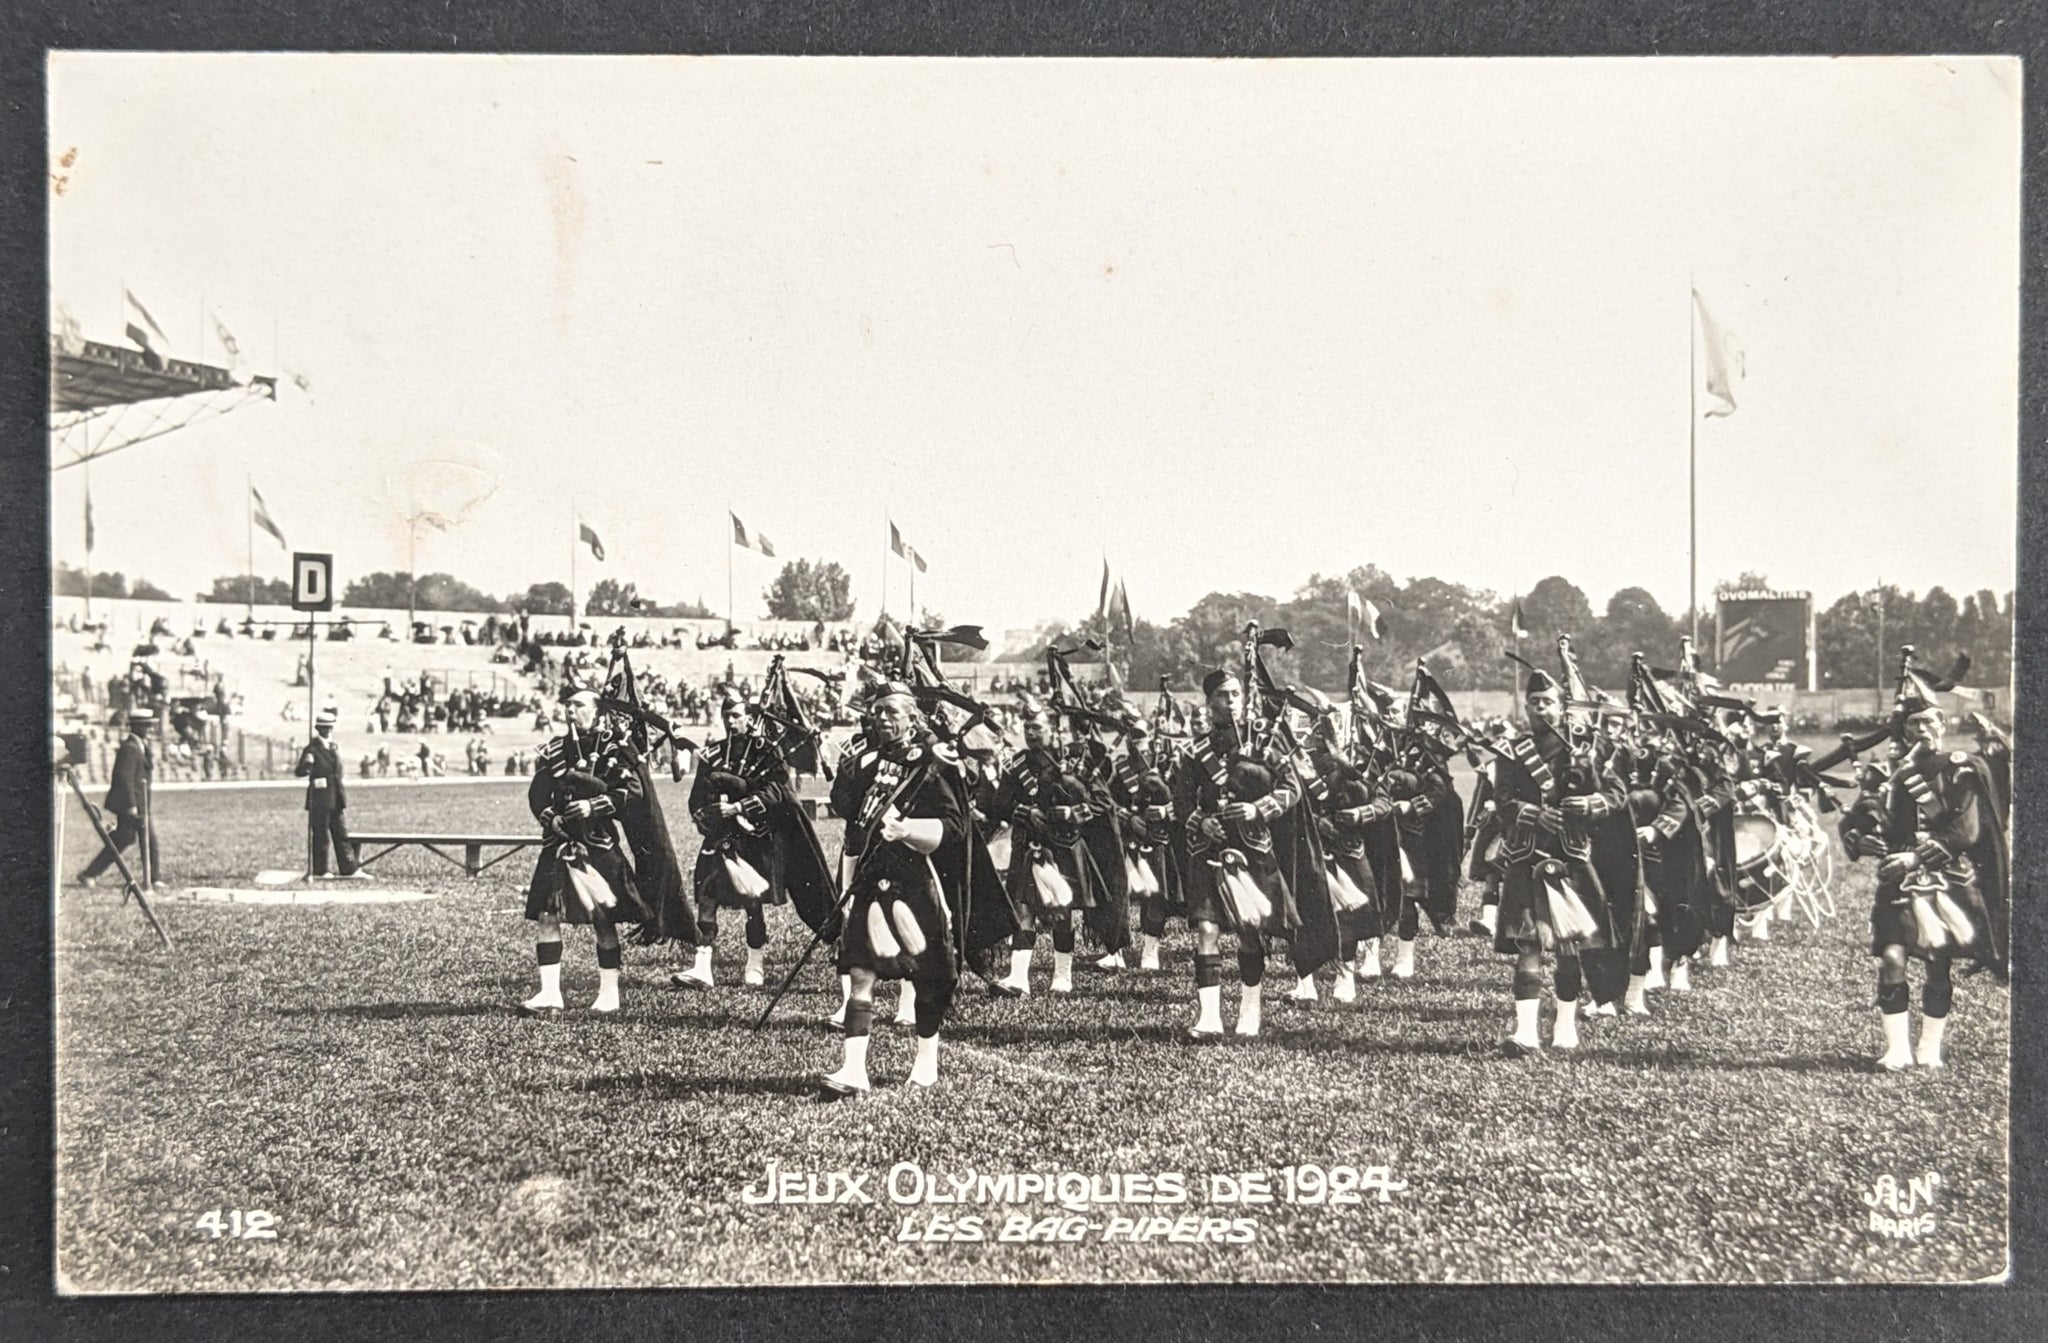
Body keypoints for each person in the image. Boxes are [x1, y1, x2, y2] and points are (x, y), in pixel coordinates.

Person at [818, 683, 972, 1096]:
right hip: (871, 879)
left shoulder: (931, 761)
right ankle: (853, 1070)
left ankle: (926, 1063)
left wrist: (909, 831)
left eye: (891, 712)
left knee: (928, 976)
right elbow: (847, 810)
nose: (882, 719)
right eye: (877, 712)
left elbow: (954, 827)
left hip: (915, 883)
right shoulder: (868, 759)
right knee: (861, 972)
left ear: (911, 718)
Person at [1853, 688, 2009, 1070]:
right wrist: (1859, 837)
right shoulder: (1888, 772)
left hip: (1947, 879)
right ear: (1904, 731)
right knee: (1891, 956)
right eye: (1914, 723)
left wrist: (1914, 856)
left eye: (1929, 721)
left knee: (1937, 964)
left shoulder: (1961, 768)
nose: (1922, 728)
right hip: (1898, 879)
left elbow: (1965, 832)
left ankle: (1929, 1047)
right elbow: (1857, 819)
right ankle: (1897, 1049)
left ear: (1942, 725)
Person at [1488, 668, 1641, 1054]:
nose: (1541, 709)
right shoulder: (1512, 749)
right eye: (1534, 703)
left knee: (1571, 947)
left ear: (1563, 706)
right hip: (1527, 855)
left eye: (1548, 703)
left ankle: (1565, 1028)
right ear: (1526, 707)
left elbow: (1617, 795)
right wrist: (1532, 813)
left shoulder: (1588, 749)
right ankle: (1524, 1033)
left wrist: (1591, 804)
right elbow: (1502, 801)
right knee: (1528, 943)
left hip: (1572, 856)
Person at [1171, 668, 1303, 1040]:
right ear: (1209, 703)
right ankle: (1209, 1018)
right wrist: (1200, 821)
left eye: (1236, 695)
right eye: (1223, 696)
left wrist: (1258, 808)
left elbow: (1292, 789)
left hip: (1252, 849)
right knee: (1207, 928)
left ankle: (1249, 1012)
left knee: (1249, 932)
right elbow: (1180, 800)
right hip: (1210, 849)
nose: (1231, 703)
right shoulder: (1196, 750)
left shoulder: (1265, 743)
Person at [517, 684, 658, 1016]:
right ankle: (550, 993)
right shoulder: (554, 749)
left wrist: (594, 806)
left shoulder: (614, 747)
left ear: (597, 711)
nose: (570, 710)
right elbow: (538, 793)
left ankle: (609, 994)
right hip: (559, 843)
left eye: (579, 704)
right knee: (547, 914)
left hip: (597, 843)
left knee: (602, 918)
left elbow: (632, 790)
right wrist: (549, 817)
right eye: (567, 704)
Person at [673, 686, 797, 989]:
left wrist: (740, 808)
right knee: (707, 897)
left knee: (752, 902)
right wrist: (710, 819)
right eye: (726, 716)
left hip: (752, 837)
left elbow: (775, 792)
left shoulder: (767, 751)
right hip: (719, 838)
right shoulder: (714, 752)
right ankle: (702, 967)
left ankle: (754, 965)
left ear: (750, 719)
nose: (731, 722)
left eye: (737, 716)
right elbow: (696, 799)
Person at [77, 708, 160, 889]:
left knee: (135, 839)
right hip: (131, 805)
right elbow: (124, 777)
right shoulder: (130, 748)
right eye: (147, 726)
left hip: (141, 803)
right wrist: (131, 805)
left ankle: (154, 878)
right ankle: (89, 874)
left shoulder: (140, 746)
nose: (150, 729)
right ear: (137, 727)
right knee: (130, 839)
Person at [295, 707, 362, 877]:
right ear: (318, 729)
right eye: (324, 728)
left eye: (330, 727)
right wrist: (307, 765)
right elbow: (300, 772)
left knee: (341, 834)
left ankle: (349, 868)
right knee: (321, 836)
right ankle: (321, 869)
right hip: (320, 799)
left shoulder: (334, 747)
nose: (328, 731)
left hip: (336, 797)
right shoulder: (311, 749)